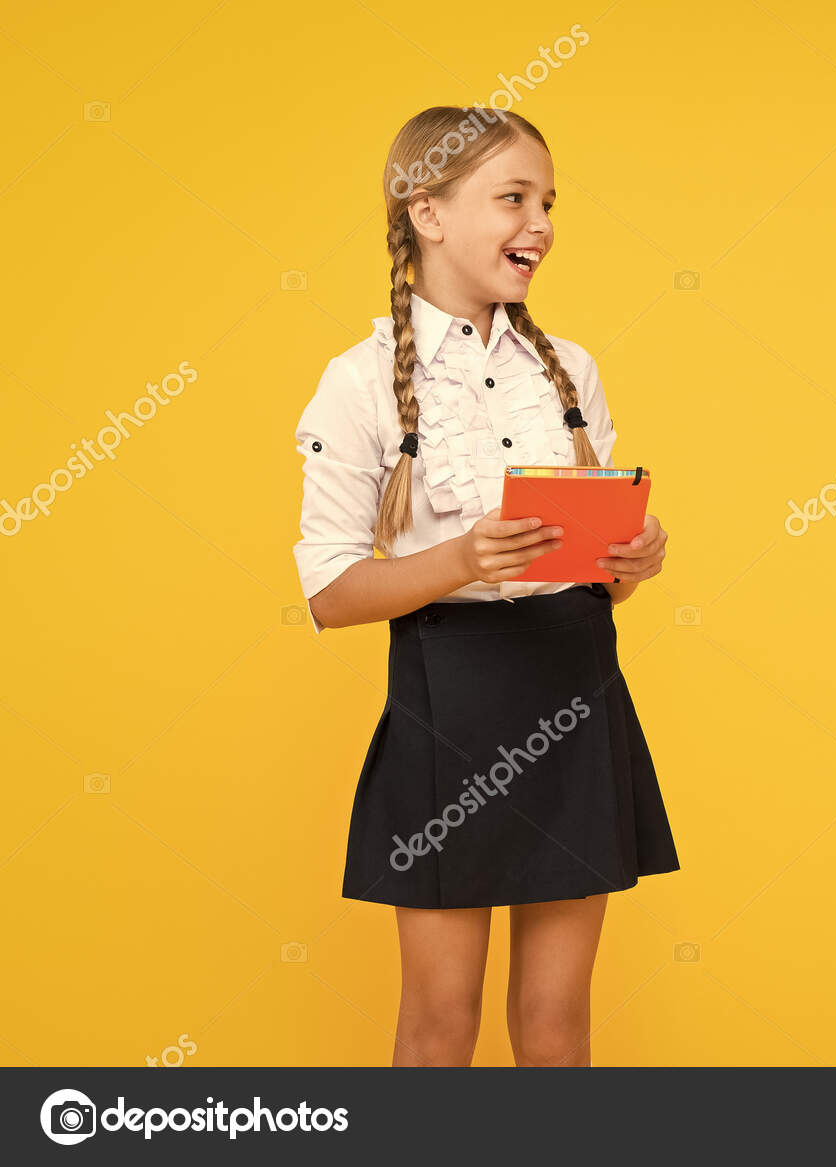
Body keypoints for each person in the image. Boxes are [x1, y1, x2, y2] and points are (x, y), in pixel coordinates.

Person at [291, 105, 680, 1067]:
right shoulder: (359, 380)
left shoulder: (570, 368)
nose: (540, 223)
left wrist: (628, 561)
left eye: (548, 202)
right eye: (513, 198)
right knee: (439, 1020)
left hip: (574, 686)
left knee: (557, 1021)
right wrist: (462, 560)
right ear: (426, 212)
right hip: (448, 707)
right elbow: (330, 592)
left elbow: (588, 569)